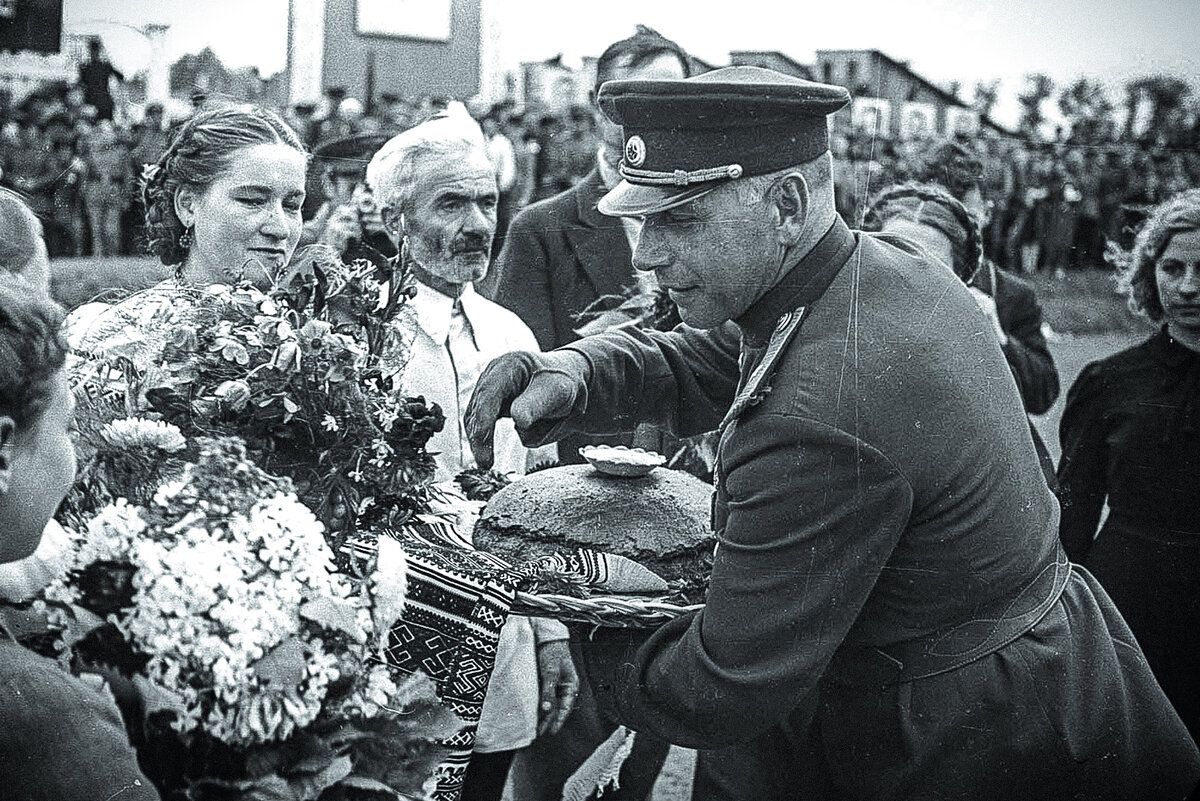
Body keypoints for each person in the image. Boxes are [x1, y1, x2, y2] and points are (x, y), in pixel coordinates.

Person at [464, 66, 1200, 800]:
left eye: (679, 219)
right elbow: (714, 354)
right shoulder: (876, 267)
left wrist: (581, 614)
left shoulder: (819, 410)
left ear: (785, 204)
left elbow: (721, 683)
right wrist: (575, 371)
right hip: (1035, 679)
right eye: (644, 218)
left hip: (971, 737)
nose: (646, 253)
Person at [481, 26, 691, 801]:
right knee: (559, 764)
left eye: (674, 99)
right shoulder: (544, 226)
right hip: (576, 543)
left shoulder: (710, 221)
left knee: (636, 766)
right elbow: (520, 397)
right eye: (636, 101)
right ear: (602, 110)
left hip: (680, 541)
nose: (653, 118)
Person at [364, 107, 576, 801]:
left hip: (502, 644)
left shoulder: (512, 334)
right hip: (393, 647)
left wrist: (549, 632)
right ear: (395, 220)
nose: (477, 224)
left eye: (487, 201)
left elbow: (539, 496)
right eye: (450, 203)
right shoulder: (359, 332)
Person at [0, 279, 160, 800]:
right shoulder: (42, 720)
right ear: (3, 448)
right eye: (68, 430)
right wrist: (81, 725)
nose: (75, 458)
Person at [1057, 187, 1200, 743]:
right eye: (1173, 267)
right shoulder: (1109, 382)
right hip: (1128, 600)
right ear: (1150, 274)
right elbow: (1072, 511)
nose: (1188, 287)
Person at [67, 104, 308, 366]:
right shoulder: (116, 338)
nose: (280, 228)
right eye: (252, 200)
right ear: (187, 204)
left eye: (292, 206)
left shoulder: (315, 337)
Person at [863, 180, 1059, 487]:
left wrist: (995, 339)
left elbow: (1040, 397)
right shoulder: (847, 321)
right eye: (893, 259)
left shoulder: (1006, 296)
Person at [77, 37, 124, 122]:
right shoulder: (103, 66)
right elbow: (121, 77)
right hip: (100, 102)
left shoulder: (86, 67)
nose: (94, 53)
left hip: (96, 102)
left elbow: (81, 84)